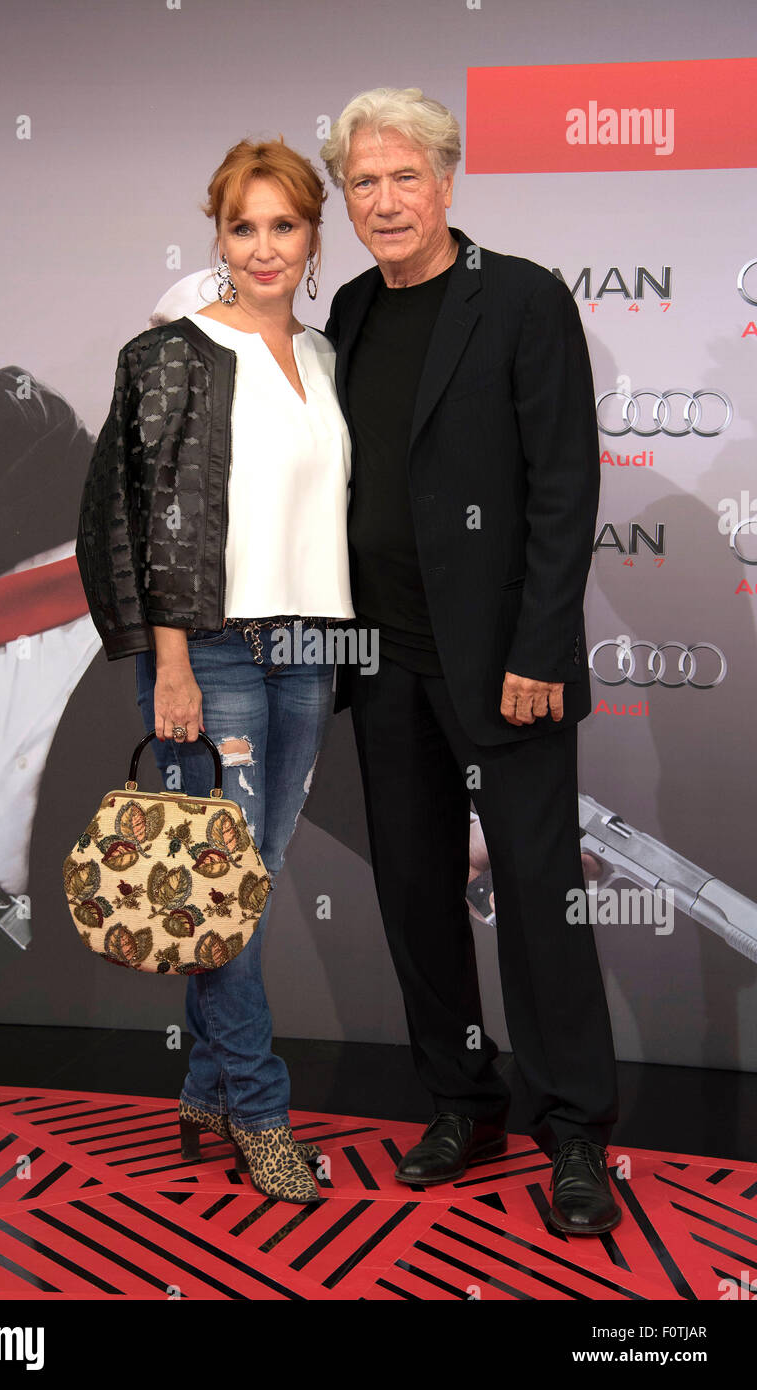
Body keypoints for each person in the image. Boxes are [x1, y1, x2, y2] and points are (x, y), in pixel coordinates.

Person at [321, 87, 621, 1234]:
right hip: (382, 661)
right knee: (414, 897)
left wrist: (541, 644)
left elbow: (563, 485)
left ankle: (577, 1131)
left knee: (542, 902)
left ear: (447, 180)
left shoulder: (524, 298)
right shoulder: (347, 309)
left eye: (405, 177)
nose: (385, 200)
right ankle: (462, 1097)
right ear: (345, 196)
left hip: (506, 666)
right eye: (364, 182)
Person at [76, 137, 354, 1204]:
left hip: (311, 650)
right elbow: (134, 514)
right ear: (219, 236)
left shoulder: (327, 359)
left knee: (248, 879)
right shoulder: (169, 355)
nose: (265, 247)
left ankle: (204, 1085)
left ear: (312, 235)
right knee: (223, 895)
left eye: (285, 225)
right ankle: (262, 1111)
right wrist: (173, 661)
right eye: (244, 226)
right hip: (218, 652)